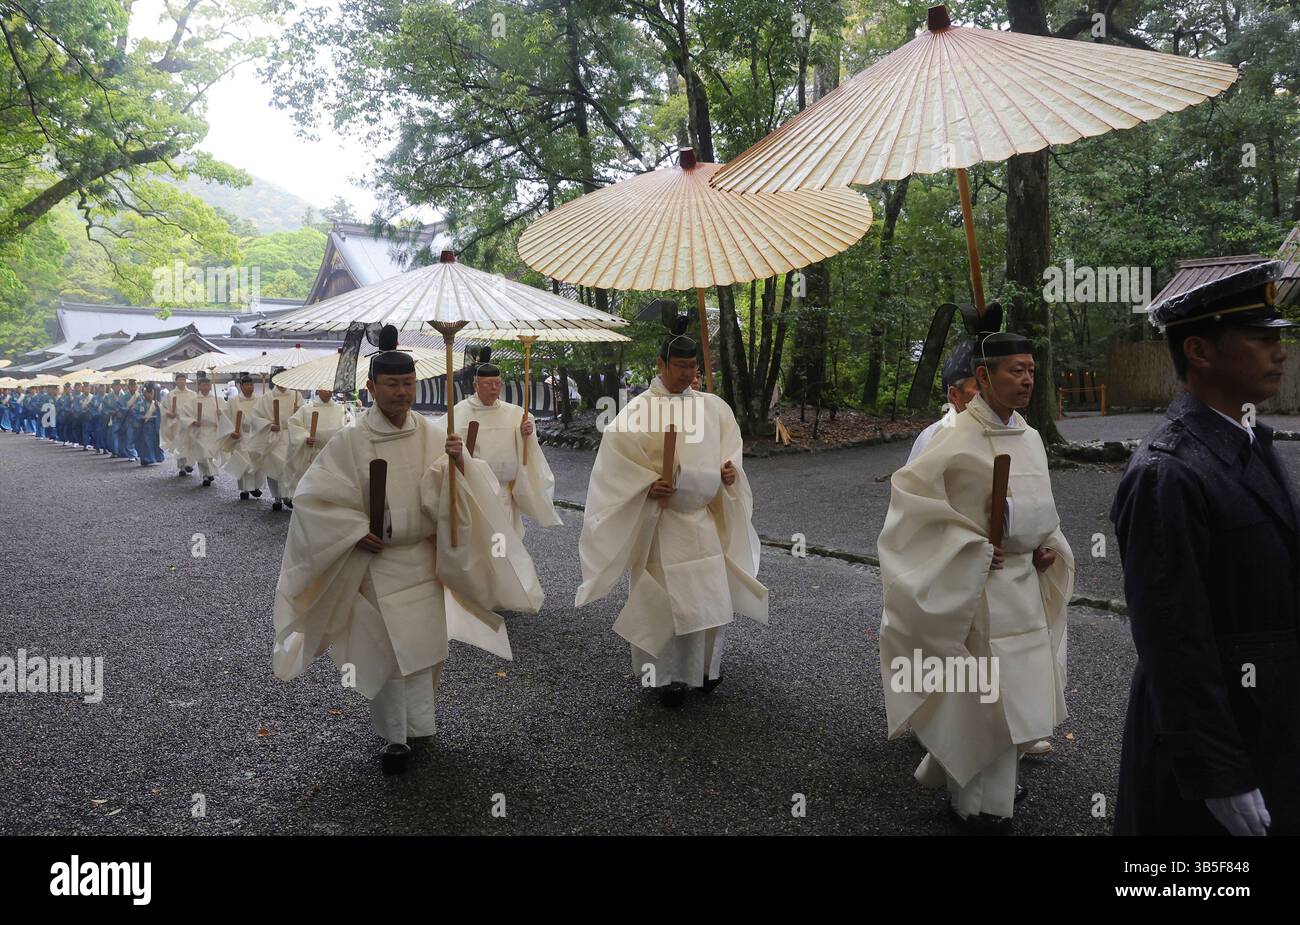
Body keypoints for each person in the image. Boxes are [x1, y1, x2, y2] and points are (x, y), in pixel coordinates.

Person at [270, 325, 543, 773]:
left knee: (425, 646)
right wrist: (355, 530)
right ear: (372, 387)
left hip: (422, 558)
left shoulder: (436, 433)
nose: (402, 392)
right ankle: (394, 738)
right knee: (390, 648)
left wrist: (459, 462)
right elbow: (315, 499)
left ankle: (420, 725)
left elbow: (463, 494)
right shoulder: (351, 440)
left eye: (408, 383)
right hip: (377, 561)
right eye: (393, 384)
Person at [1112, 260, 1298, 836]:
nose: (1281, 352)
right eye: (1261, 338)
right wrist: (1216, 771)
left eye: (1280, 337)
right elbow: (1174, 638)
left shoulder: (1249, 442)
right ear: (1200, 350)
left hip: (1269, 722)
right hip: (1215, 743)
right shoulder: (1168, 472)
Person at [877, 330, 1074, 833]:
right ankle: (974, 808)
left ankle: (992, 798)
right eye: (1015, 369)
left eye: (1031, 369)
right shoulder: (952, 438)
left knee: (1016, 696)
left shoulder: (1030, 439)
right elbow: (912, 516)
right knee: (984, 701)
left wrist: (1049, 548)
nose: (1027, 378)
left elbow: (1042, 511)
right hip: (975, 594)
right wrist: (965, 553)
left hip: (1024, 590)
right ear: (984, 377)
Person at [576, 315, 768, 708]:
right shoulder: (637, 412)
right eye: (680, 366)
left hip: (702, 518)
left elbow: (729, 449)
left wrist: (730, 471)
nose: (688, 373)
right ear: (660, 365)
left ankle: (703, 671)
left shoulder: (713, 408)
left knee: (708, 601)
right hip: (661, 521)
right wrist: (647, 486)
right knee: (664, 602)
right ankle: (664, 678)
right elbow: (615, 467)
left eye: (693, 366)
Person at [452, 347, 562, 538]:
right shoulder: (459, 412)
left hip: (503, 494)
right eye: (488, 384)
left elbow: (526, 448)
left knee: (503, 543)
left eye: (497, 383)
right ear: (476, 385)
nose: (494, 387)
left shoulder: (515, 413)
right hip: (473, 492)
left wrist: (526, 432)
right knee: (477, 541)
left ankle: (503, 565)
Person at [283, 388, 352, 500]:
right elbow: (294, 424)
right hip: (313, 453)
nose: (328, 392)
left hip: (334, 454)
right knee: (312, 486)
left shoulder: (341, 409)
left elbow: (351, 426)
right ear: (319, 390)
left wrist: (345, 432)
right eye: (325, 389)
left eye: (330, 389)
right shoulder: (306, 409)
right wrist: (305, 437)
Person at [254, 367, 303, 511]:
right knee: (274, 465)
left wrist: (298, 412)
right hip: (274, 436)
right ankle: (277, 496)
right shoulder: (267, 397)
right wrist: (269, 425)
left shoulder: (296, 395)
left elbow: (304, 413)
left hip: (290, 435)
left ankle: (287, 495)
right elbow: (256, 418)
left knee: (288, 466)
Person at [219, 373, 268, 501]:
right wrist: (231, 432)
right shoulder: (233, 401)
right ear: (241, 386)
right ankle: (245, 489)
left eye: (251, 384)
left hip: (256, 434)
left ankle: (255, 487)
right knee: (243, 461)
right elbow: (227, 417)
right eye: (246, 385)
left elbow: (265, 414)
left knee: (255, 460)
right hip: (241, 435)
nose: (249, 387)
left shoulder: (259, 399)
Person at [179, 372, 223, 487]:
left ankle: (208, 473)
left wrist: (220, 413)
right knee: (202, 453)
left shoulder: (217, 400)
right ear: (199, 386)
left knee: (209, 454)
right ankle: (206, 475)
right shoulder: (193, 401)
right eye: (203, 385)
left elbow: (227, 411)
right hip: (200, 431)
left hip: (213, 431)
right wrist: (193, 421)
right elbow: (184, 415)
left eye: (208, 385)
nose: (206, 387)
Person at [161, 373, 197, 477]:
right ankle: (182, 466)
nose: (182, 381)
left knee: (190, 443)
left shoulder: (192, 394)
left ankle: (189, 464)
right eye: (180, 379)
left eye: (183, 379)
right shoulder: (171, 394)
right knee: (180, 444)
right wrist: (169, 413)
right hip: (176, 422)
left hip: (189, 423)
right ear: (176, 381)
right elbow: (163, 407)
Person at [131, 384, 165, 466]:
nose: (149, 395)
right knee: (145, 444)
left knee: (155, 443)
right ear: (144, 393)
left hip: (154, 426)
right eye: (147, 393)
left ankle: (155, 458)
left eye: (151, 394)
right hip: (145, 426)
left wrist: (158, 408)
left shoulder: (156, 404)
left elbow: (162, 414)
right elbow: (135, 414)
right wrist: (141, 417)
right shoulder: (140, 404)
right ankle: (146, 459)